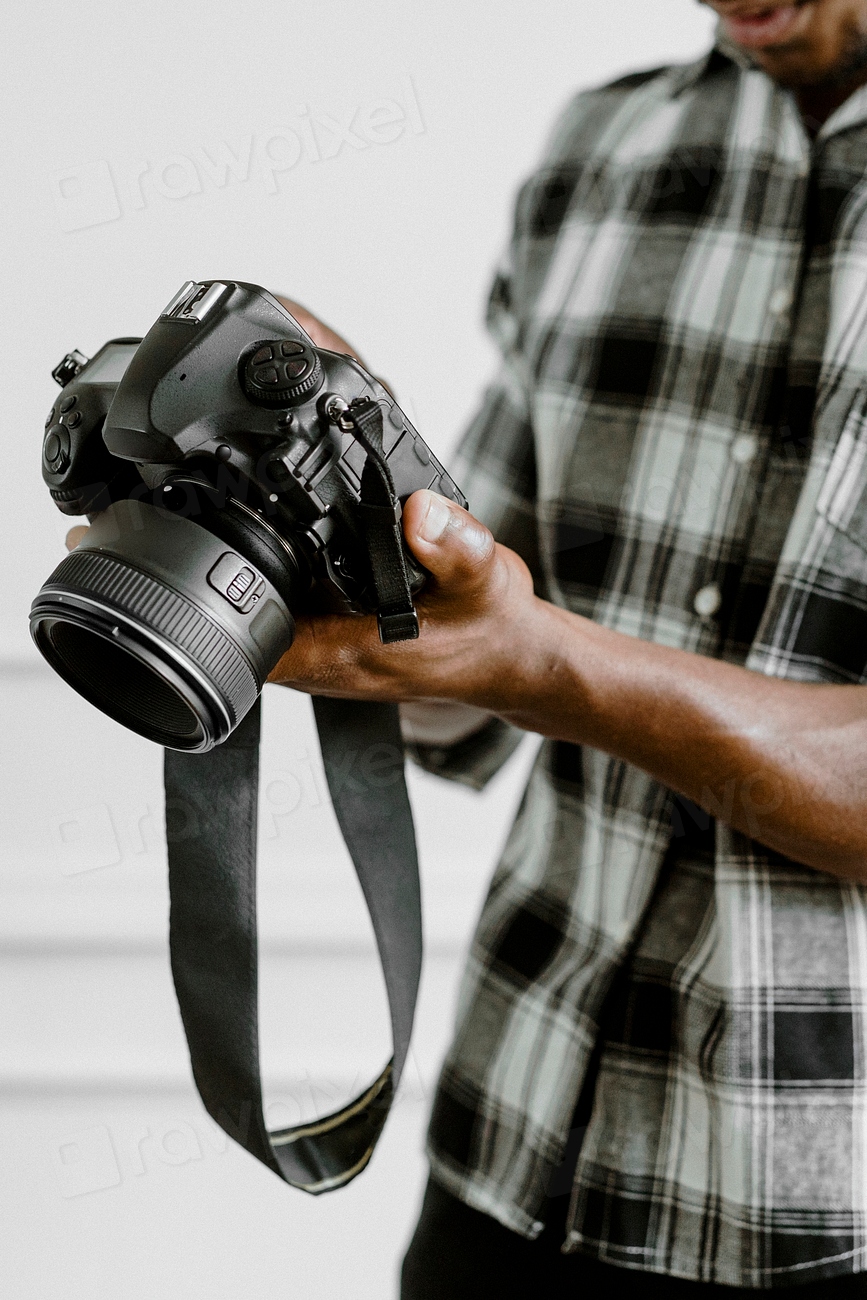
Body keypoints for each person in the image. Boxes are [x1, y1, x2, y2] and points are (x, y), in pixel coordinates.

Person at [62, 0, 867, 1291]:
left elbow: (523, 659)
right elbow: (463, 674)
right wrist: (329, 490)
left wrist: (537, 660)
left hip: (815, 1218)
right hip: (510, 1144)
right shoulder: (599, 150)